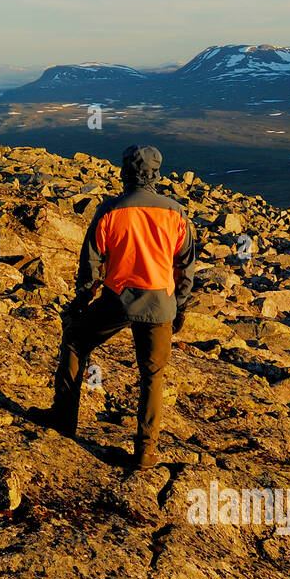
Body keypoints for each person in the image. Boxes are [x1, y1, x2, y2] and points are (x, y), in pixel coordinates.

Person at [30, 145, 197, 470]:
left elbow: (90, 266)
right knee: (153, 375)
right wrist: (179, 306)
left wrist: (80, 303)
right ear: (157, 175)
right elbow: (185, 266)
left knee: (77, 342)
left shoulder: (109, 211)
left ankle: (63, 422)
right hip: (160, 304)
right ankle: (145, 452)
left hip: (117, 300)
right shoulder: (176, 213)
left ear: (124, 173)